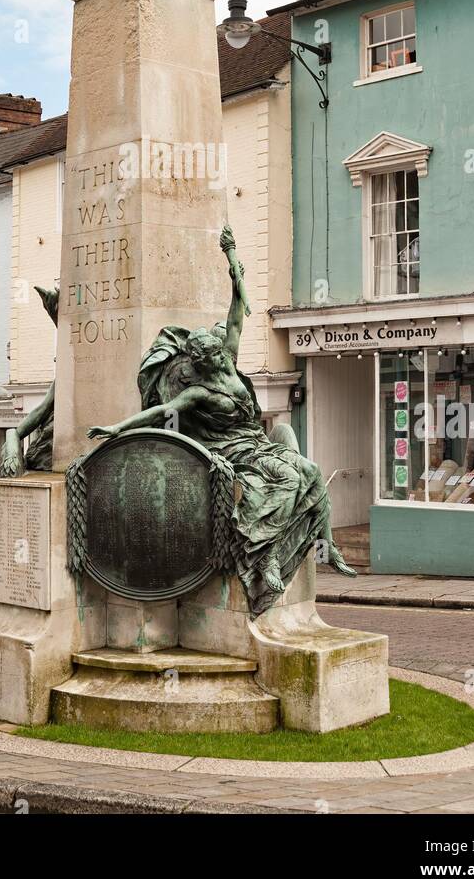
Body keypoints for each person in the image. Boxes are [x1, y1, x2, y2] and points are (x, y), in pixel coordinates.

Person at [88, 227, 355, 616]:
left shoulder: (228, 359)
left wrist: (231, 258)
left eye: (217, 351)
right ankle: (262, 555)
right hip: (230, 449)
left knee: (310, 471)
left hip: (255, 441)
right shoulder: (198, 393)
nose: (218, 356)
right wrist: (117, 428)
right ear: (198, 360)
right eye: (209, 355)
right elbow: (161, 413)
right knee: (287, 480)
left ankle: (325, 546)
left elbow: (236, 309)